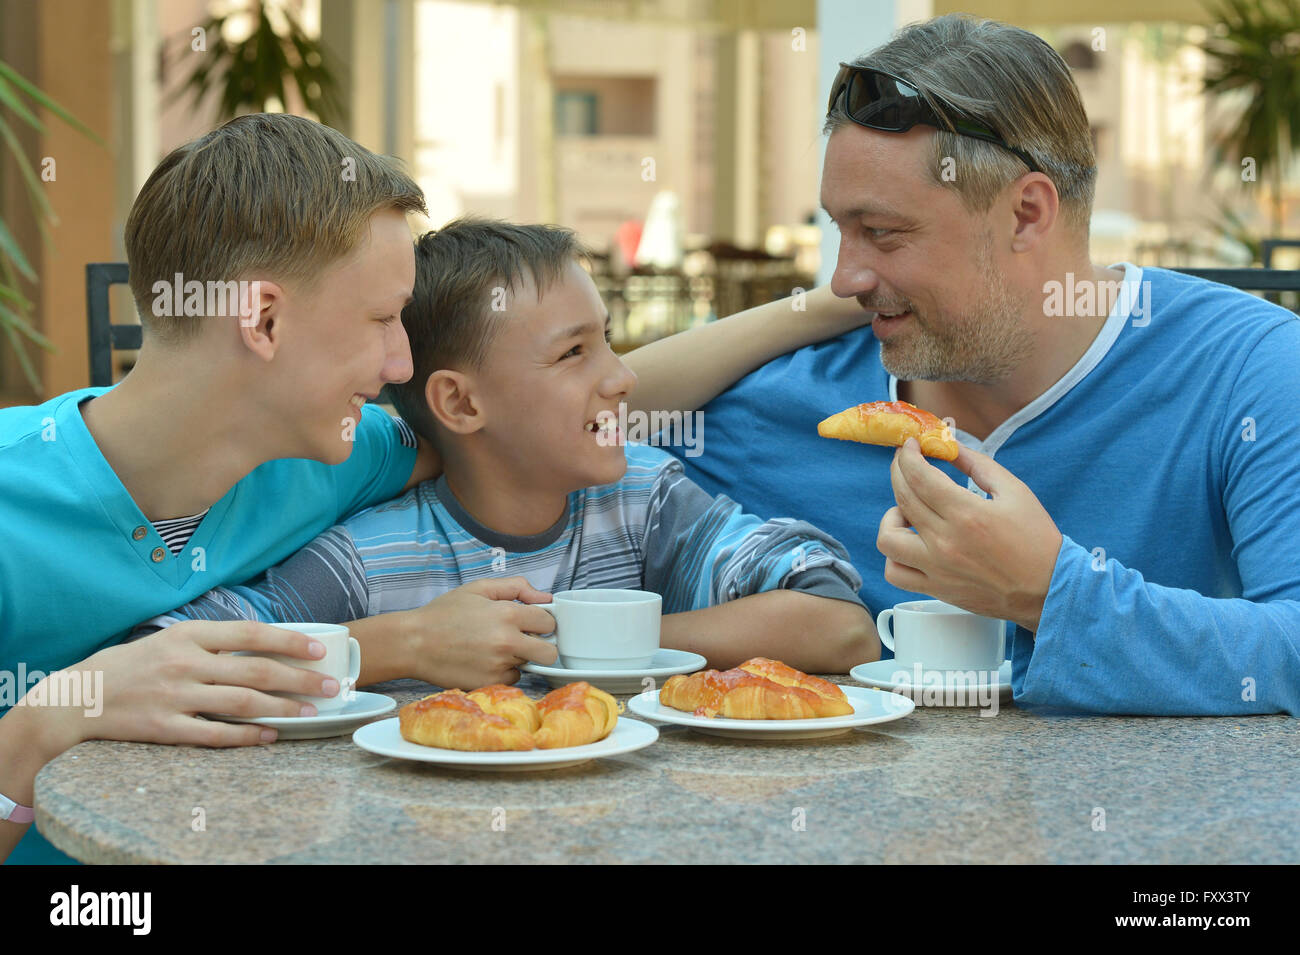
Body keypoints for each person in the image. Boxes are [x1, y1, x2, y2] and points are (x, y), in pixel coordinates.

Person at [0, 113, 873, 864]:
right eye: (381, 319)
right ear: (262, 321)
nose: (400, 365)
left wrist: (833, 304)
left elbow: (561, 412)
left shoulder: (342, 449)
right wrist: (41, 723)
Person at [637, 14, 1300, 716]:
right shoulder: (786, 404)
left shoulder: (1249, 370)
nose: (845, 275)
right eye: (840, 230)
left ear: (1025, 214)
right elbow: (566, 427)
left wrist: (1047, 592)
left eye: (882, 231)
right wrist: (811, 310)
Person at [141, 219, 878, 682]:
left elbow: (837, 621)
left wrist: (577, 635)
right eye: (573, 354)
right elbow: (176, 653)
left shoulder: (642, 503)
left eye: (610, 341)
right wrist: (398, 645)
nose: (623, 379)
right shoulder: (375, 555)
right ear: (460, 404)